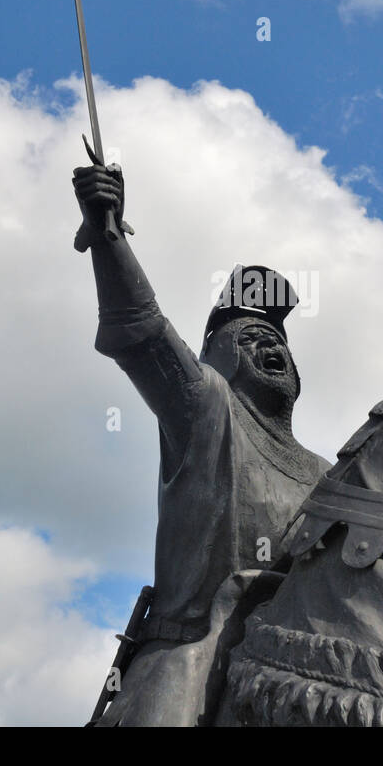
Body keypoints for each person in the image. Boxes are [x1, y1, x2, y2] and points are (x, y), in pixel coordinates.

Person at [72, 159, 329, 725]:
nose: (274, 349)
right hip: (189, 655)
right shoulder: (207, 409)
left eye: (280, 342)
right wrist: (106, 234)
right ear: (218, 356)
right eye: (255, 337)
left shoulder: (327, 475)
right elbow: (142, 333)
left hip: (298, 675)